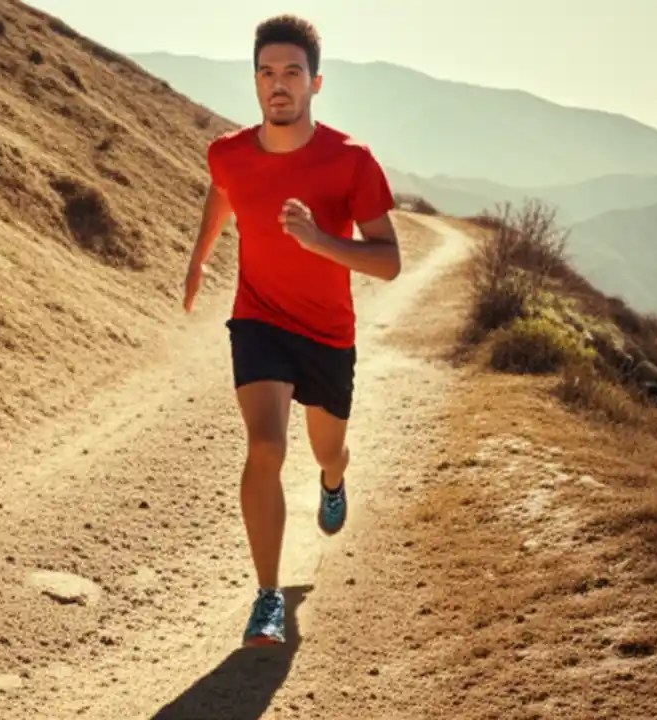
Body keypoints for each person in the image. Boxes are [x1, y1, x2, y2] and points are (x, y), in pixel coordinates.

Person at [182, 14, 401, 647]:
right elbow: (224, 191)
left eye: (292, 73)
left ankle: (333, 480)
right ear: (255, 81)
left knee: (326, 448)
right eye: (268, 72)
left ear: (316, 82)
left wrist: (321, 241)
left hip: (329, 332)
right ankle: (268, 598)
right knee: (266, 447)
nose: (279, 84)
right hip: (259, 320)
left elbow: (387, 261)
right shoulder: (227, 151)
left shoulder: (351, 161)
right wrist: (199, 258)